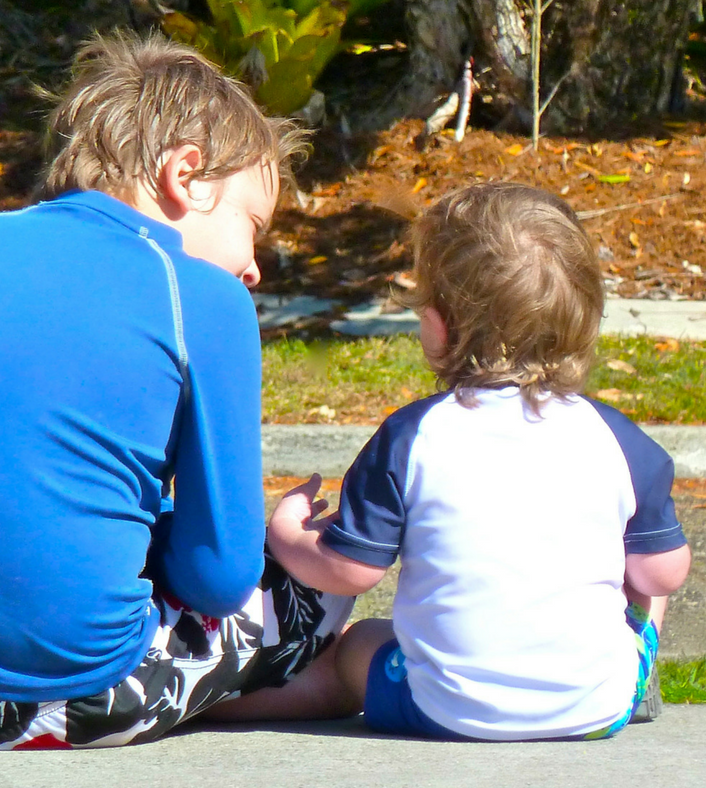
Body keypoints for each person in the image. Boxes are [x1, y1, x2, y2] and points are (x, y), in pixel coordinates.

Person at [0, 31, 355, 749]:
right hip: (72, 699)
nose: (254, 266)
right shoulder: (206, 299)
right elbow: (217, 579)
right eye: (253, 225)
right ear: (188, 175)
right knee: (320, 576)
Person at [267, 182, 691, 741]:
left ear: (440, 326)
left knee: (362, 643)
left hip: (448, 710)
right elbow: (663, 574)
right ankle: (637, 671)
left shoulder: (411, 436)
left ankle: (244, 703)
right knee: (648, 558)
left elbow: (350, 571)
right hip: (598, 706)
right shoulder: (617, 438)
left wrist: (287, 534)